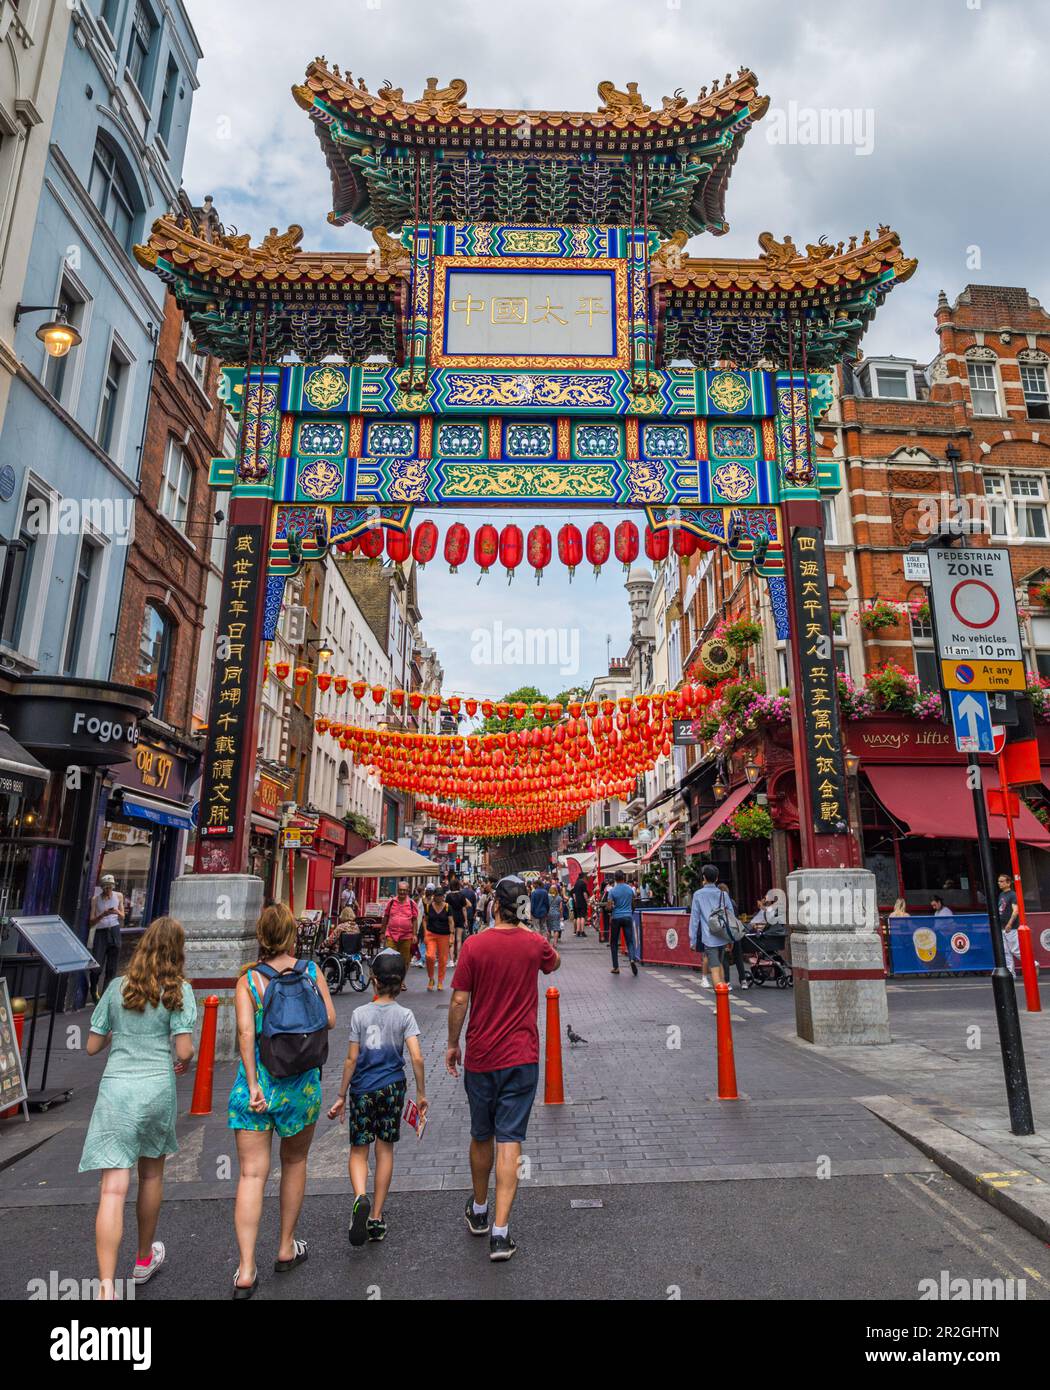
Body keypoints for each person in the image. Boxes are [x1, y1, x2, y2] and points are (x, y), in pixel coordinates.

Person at [79, 917, 197, 1299]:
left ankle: (106, 1287)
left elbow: (92, 1047)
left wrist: (119, 1025)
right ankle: (144, 1259)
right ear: (178, 952)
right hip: (156, 1090)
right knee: (150, 1177)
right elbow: (183, 1051)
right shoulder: (179, 990)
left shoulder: (116, 988)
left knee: (112, 1189)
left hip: (116, 1092)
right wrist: (185, 1061)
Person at [447, 875, 560, 1262]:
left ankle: (479, 1211)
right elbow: (554, 962)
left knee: (482, 1135)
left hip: (481, 1055)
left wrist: (451, 1043)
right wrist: (528, 927)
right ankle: (500, 1232)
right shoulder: (534, 944)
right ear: (524, 907)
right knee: (510, 1140)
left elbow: (460, 1000)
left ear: (494, 904)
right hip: (521, 1056)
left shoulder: (474, 946)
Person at [227, 903, 337, 1298]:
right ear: (292, 934)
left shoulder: (248, 982)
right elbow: (329, 1019)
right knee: (294, 1162)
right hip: (301, 1088)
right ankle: (286, 1246)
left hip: (256, 1089)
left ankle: (244, 1268)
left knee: (252, 1175)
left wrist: (254, 1084)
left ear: (260, 936)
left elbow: (243, 1035)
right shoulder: (311, 971)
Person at [328, 949, 427, 1245]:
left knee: (359, 1149)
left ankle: (361, 1197)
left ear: (372, 980)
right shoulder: (405, 1015)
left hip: (362, 1089)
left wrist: (341, 1095)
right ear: (401, 983)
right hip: (393, 1088)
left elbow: (350, 1059)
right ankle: (376, 1218)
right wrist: (421, 1094)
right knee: (385, 1150)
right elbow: (418, 1058)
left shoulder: (360, 1014)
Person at [688, 864, 737, 991]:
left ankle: (721, 1005)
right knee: (719, 965)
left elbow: (694, 919)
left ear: (704, 877)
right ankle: (723, 1003)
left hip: (709, 937)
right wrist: (732, 938)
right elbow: (731, 917)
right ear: (717, 878)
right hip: (723, 936)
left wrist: (692, 940)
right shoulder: (723, 895)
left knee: (714, 969)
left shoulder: (698, 895)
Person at [88, 873, 125, 1003]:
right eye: (105, 887)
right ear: (102, 887)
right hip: (101, 932)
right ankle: (93, 988)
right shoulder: (95, 899)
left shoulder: (119, 896)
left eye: (109, 887)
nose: (107, 890)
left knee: (111, 967)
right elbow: (91, 922)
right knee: (97, 967)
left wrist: (116, 912)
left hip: (114, 931)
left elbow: (123, 916)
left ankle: (105, 996)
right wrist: (102, 915)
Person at [382, 881, 417, 989]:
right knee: (390, 958)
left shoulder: (412, 904)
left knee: (405, 960)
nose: (402, 892)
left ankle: (401, 980)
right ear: (397, 890)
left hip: (406, 936)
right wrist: (382, 932)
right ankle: (392, 980)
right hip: (391, 934)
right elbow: (386, 916)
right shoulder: (391, 902)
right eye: (400, 890)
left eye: (404, 890)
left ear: (408, 891)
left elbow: (414, 920)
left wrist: (414, 934)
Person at [605, 870, 638, 976]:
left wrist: (610, 907)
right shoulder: (630, 890)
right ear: (624, 877)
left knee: (614, 942)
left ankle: (616, 967)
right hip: (628, 916)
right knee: (630, 941)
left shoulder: (612, 891)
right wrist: (630, 912)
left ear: (615, 878)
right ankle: (632, 959)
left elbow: (609, 907)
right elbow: (633, 904)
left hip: (616, 917)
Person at [424, 887, 454, 991]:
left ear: (443, 896)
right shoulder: (428, 907)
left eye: (441, 896)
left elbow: (451, 922)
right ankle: (431, 978)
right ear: (434, 896)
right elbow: (425, 920)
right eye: (437, 896)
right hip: (431, 934)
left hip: (444, 935)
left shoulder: (447, 907)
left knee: (443, 959)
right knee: (430, 956)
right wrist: (425, 933)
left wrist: (451, 936)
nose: (439, 898)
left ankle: (440, 981)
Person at [997, 872, 1023, 978]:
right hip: (1002, 927)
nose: (999, 883)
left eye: (1002, 881)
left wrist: (1009, 923)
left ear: (1008, 883)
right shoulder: (1001, 895)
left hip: (1010, 927)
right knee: (1006, 952)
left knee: (1015, 950)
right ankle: (1011, 974)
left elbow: (1015, 910)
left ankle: (1033, 964)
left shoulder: (1012, 895)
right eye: (999, 881)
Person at [447, 875, 470, 964]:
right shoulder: (462, 895)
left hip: (451, 918)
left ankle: (452, 960)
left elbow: (446, 907)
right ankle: (458, 959)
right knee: (459, 939)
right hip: (460, 917)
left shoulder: (448, 896)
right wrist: (466, 920)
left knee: (451, 938)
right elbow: (464, 909)